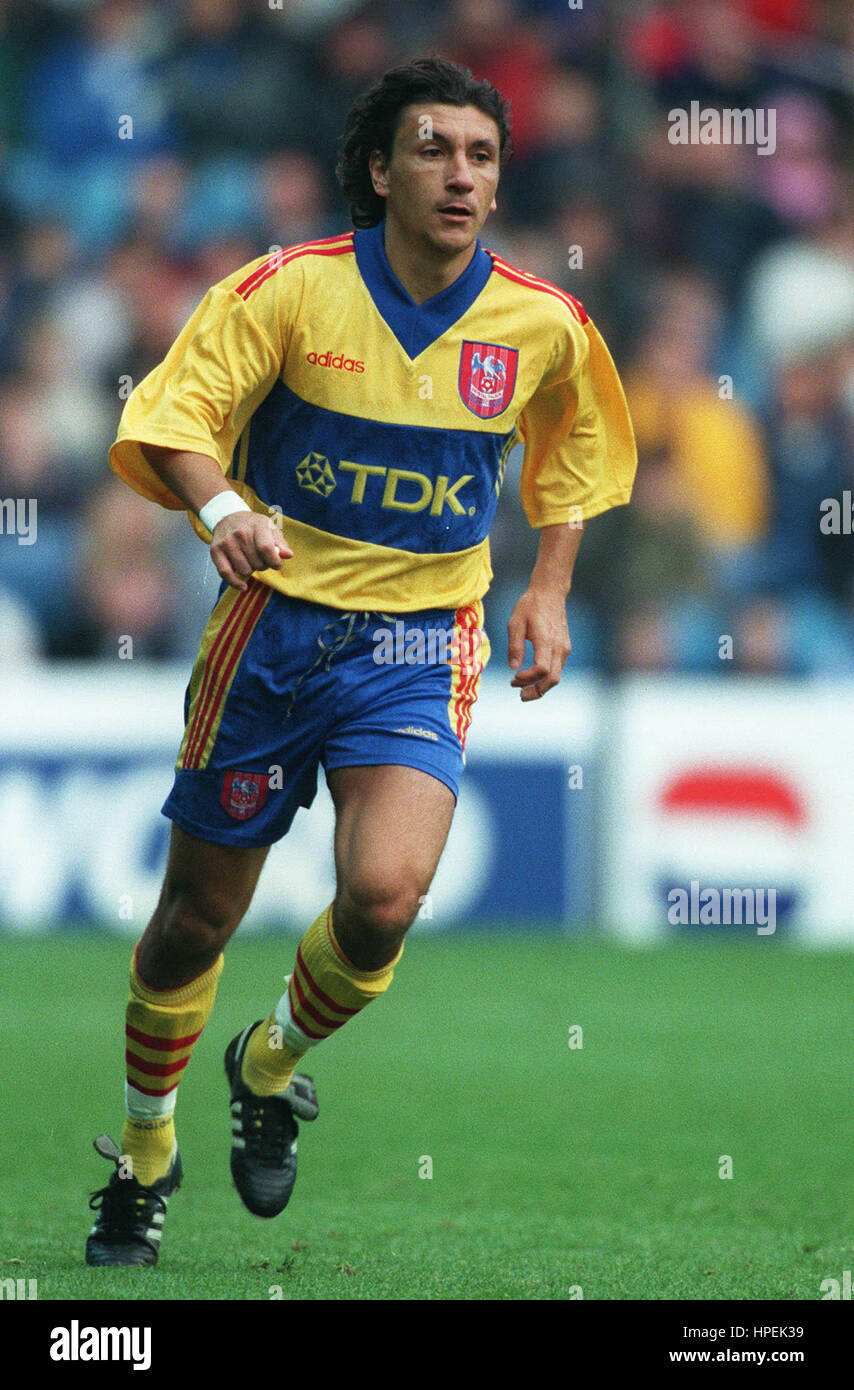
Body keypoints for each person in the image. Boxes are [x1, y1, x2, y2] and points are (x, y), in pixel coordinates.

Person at [85, 56, 636, 1266]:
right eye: (433, 149)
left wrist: (545, 589)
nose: (459, 174)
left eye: (481, 156)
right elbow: (171, 419)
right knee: (190, 925)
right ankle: (141, 1153)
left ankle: (268, 1062)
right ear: (379, 168)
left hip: (420, 641)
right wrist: (225, 508)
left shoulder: (540, 324)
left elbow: (577, 454)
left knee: (382, 901)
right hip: (272, 634)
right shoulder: (287, 290)